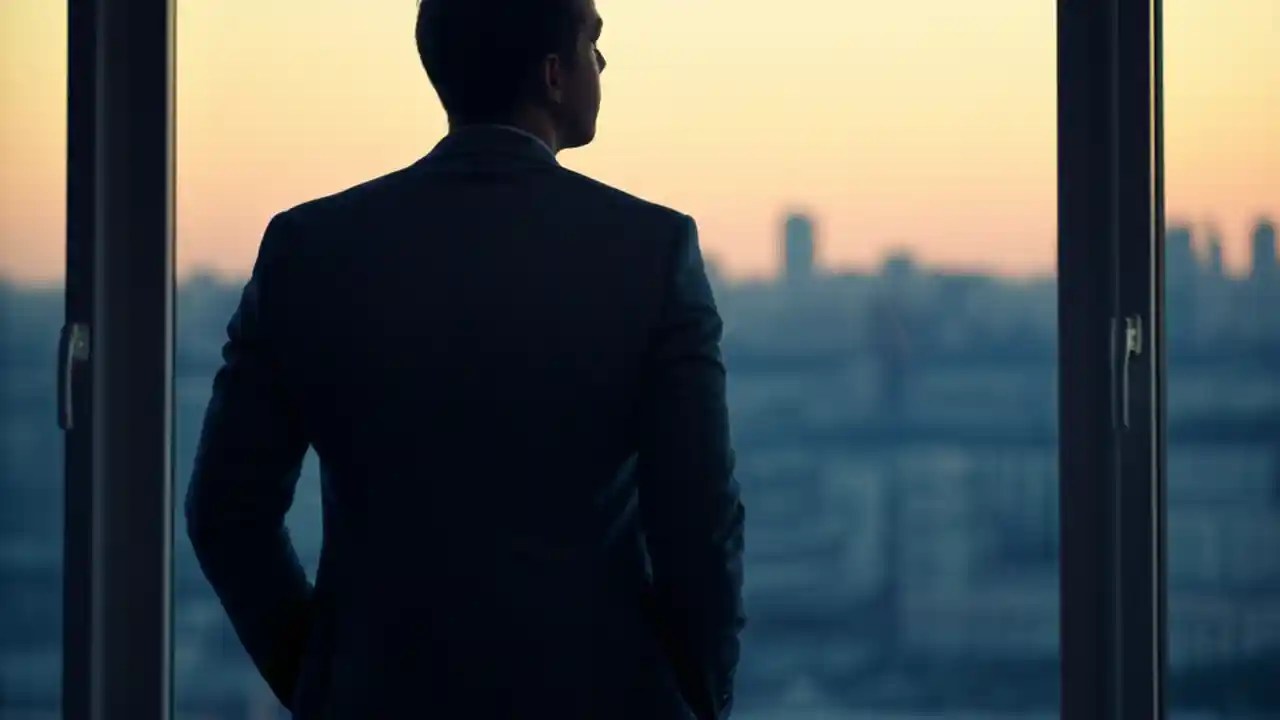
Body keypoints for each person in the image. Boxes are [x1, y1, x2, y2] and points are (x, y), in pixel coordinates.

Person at [184, 0, 746, 717]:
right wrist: (696, 699)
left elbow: (226, 512)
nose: (603, 63)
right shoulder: (652, 252)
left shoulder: (309, 249)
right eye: (593, 42)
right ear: (553, 75)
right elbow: (700, 529)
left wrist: (323, 679)